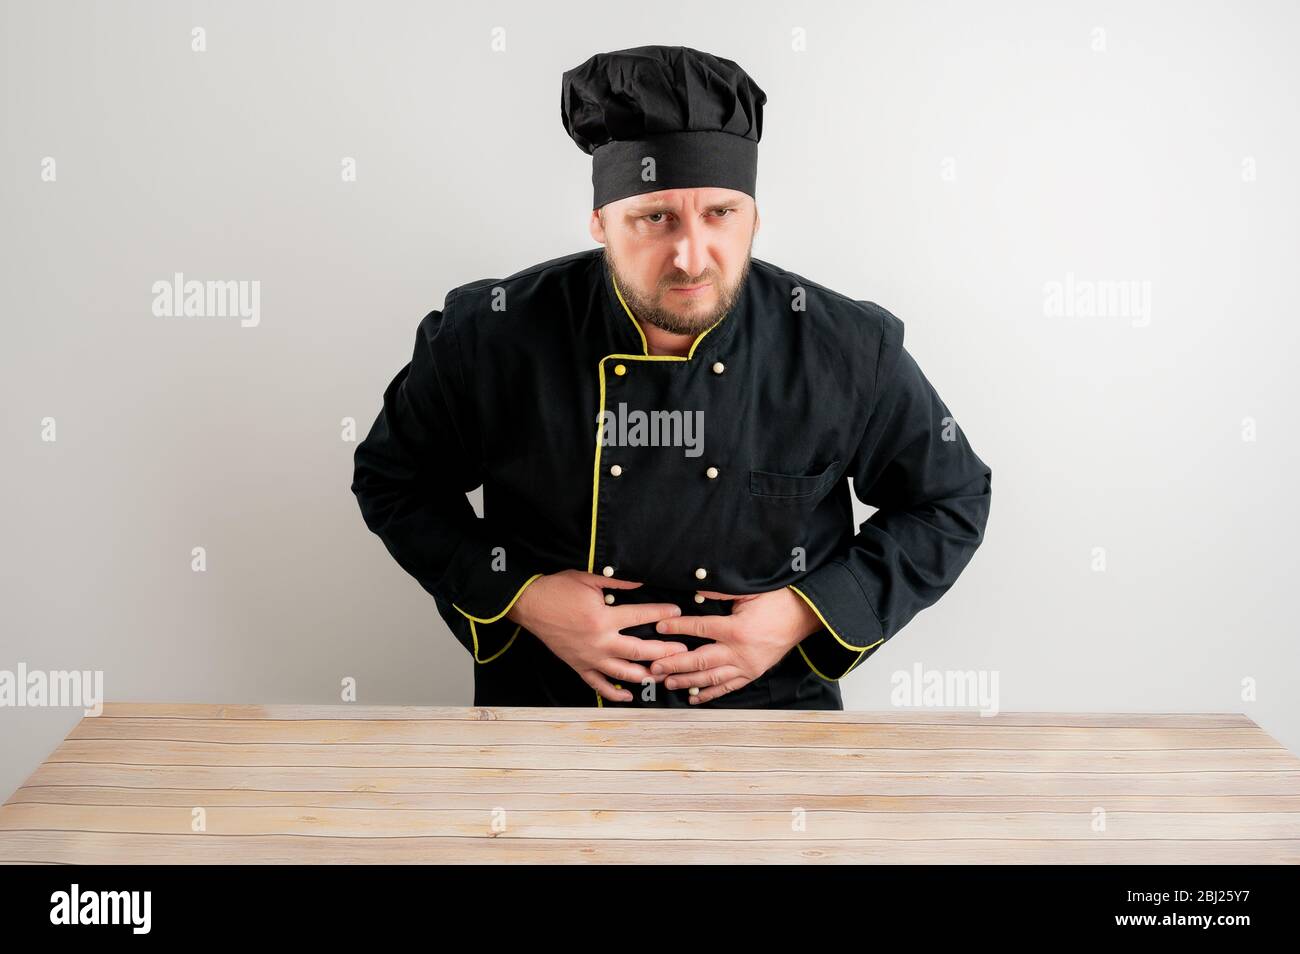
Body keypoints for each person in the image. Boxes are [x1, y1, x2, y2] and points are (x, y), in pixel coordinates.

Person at [351, 45, 992, 710]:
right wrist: (524, 598)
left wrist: (802, 611)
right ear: (601, 222)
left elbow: (951, 499)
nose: (691, 257)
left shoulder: (846, 349)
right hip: (547, 719)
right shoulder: (491, 335)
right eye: (654, 217)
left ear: (754, 219)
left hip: (773, 726)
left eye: (720, 213)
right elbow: (395, 480)